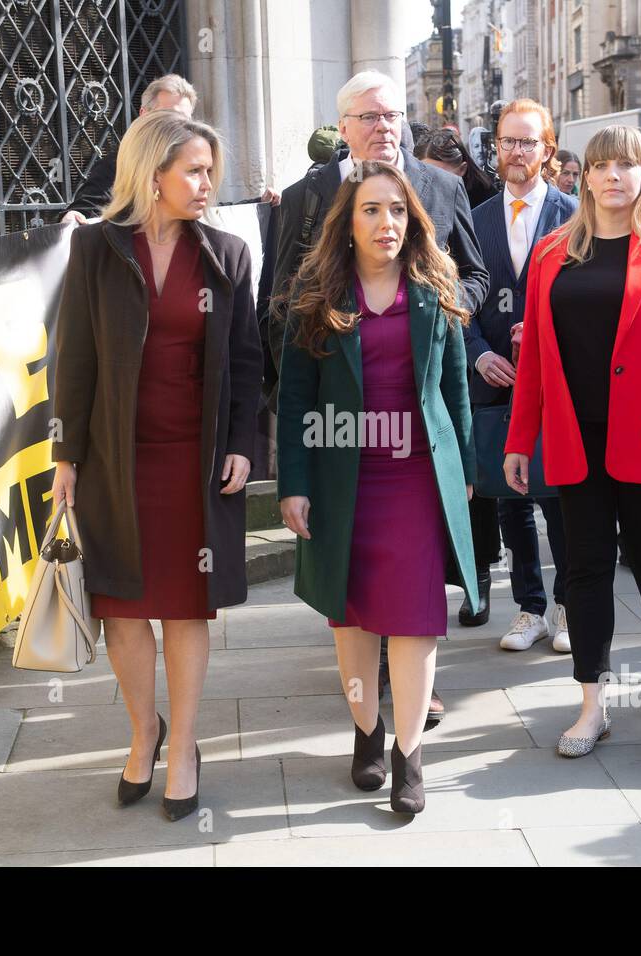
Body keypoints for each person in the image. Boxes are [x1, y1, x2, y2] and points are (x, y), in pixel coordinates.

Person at [50, 111, 262, 821]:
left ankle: (185, 746)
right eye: (193, 171)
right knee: (124, 608)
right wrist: (66, 456)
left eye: (210, 171)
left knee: (185, 605)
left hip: (193, 462)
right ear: (153, 175)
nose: (207, 184)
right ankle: (144, 732)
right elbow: (74, 358)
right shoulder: (97, 251)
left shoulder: (227, 255)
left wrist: (242, 444)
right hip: (116, 457)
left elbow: (246, 360)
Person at [264, 71, 489, 726]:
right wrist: (316, 344)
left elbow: (474, 274)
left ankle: (412, 702)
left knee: (415, 576)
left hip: (419, 423)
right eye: (369, 116)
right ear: (344, 125)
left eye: (393, 115)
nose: (384, 126)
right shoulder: (308, 196)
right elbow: (280, 293)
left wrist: (443, 317)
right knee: (355, 582)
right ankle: (372, 705)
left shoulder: (443, 187)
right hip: (342, 427)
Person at [502, 124, 641, 756]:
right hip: (577, 436)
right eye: (601, 166)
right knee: (585, 564)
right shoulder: (551, 253)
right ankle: (592, 704)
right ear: (582, 176)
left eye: (626, 166)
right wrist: (520, 440)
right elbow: (539, 360)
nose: (612, 177)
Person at [276, 161, 477, 815]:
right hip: (344, 480)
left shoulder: (434, 285)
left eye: (396, 209)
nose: (385, 222)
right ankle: (367, 732)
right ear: (349, 220)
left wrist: (465, 474)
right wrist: (295, 484)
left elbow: (455, 390)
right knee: (354, 620)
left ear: (411, 219)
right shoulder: (319, 293)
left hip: (416, 478)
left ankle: (409, 755)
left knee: (417, 621)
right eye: (371, 210)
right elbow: (296, 398)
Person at [463, 99, 577, 651]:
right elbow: (454, 300)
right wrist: (480, 353)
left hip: (557, 383)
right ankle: (529, 608)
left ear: (547, 150)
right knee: (511, 500)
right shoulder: (475, 216)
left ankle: (568, 606)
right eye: (507, 141)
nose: (515, 151)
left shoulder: (575, 215)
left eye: (527, 141)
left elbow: (588, 300)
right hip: (495, 381)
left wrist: (544, 335)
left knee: (559, 499)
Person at [61, 74, 279, 223]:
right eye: (168, 116)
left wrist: (257, 204)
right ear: (144, 114)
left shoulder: (194, 165)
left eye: (184, 119)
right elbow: (87, 209)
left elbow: (209, 212)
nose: (177, 127)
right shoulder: (119, 164)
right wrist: (73, 215)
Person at [416, 127, 499, 208]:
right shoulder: (417, 199)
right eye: (425, 176)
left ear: (462, 169)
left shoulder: (488, 204)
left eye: (440, 176)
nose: (431, 184)